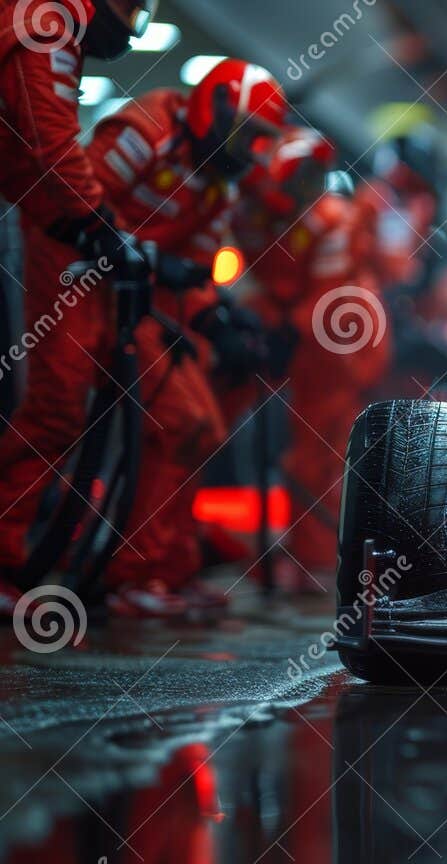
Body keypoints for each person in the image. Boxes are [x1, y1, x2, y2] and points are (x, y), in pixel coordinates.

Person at [86, 57, 288, 615]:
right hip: (74, 294)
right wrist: (147, 259)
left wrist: (218, 318)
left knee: (198, 426)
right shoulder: (146, 132)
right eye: (247, 133)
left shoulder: (217, 187)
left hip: (138, 304)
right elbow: (72, 208)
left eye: (260, 140)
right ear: (215, 108)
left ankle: (160, 573)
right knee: (53, 422)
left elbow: (194, 275)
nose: (250, 149)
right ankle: (126, 574)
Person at [0, 0, 157, 614]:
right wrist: (98, 222)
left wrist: (93, 226)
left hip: (42, 228)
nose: (133, 15)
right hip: (46, 233)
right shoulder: (54, 15)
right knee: (55, 406)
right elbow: (51, 139)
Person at [233, 127, 388, 590]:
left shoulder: (333, 223)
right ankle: (305, 558)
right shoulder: (254, 214)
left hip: (341, 332)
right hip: (301, 322)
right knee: (199, 420)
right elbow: (263, 279)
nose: (307, 188)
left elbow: (324, 299)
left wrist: (283, 328)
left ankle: (316, 564)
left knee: (319, 451)